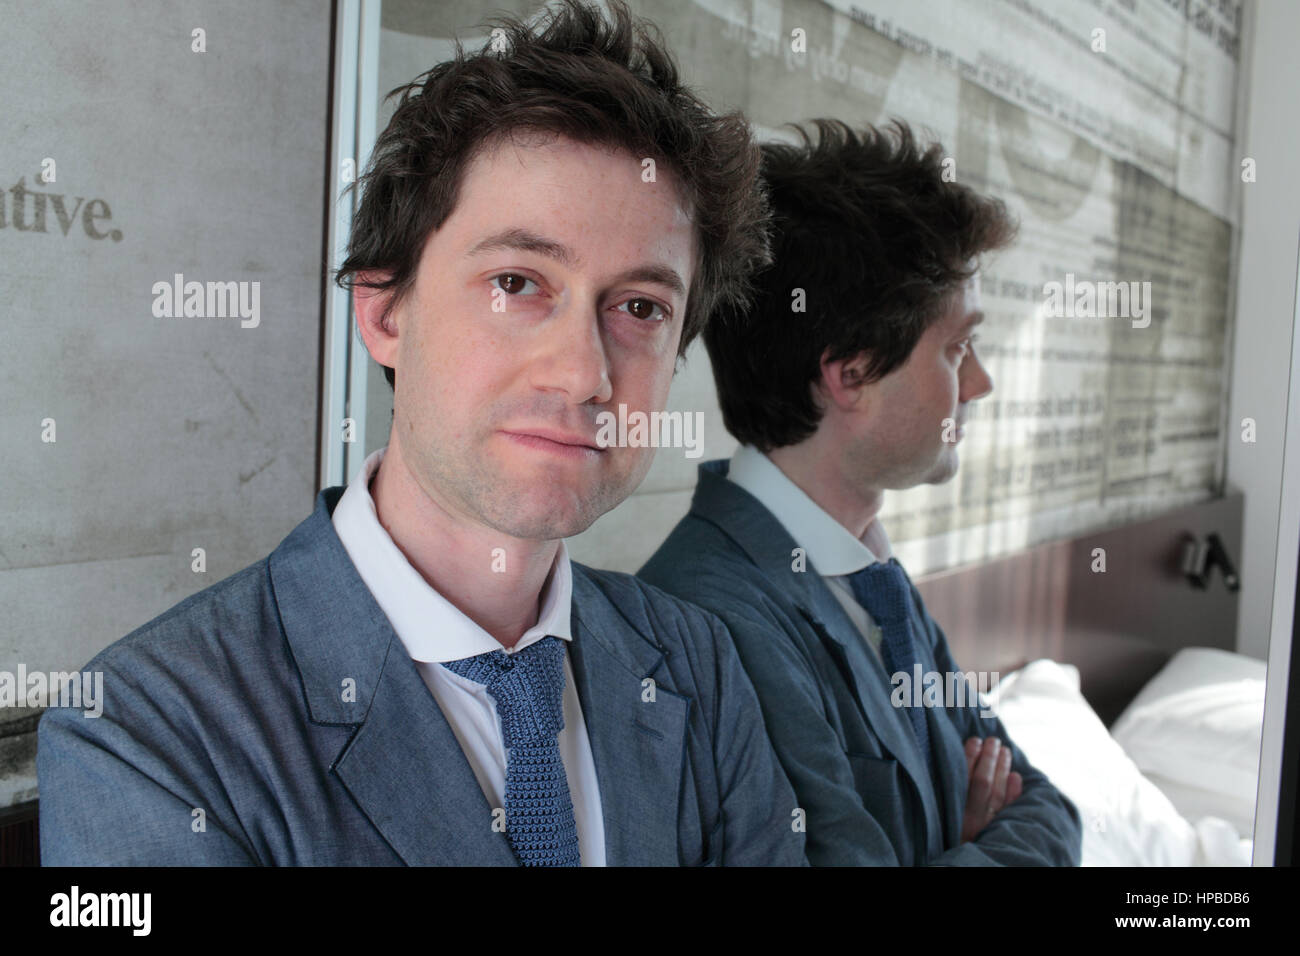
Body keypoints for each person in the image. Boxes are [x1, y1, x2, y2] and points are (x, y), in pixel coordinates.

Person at [37, 0, 803, 867]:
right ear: (384, 311)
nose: (584, 374)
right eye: (518, 282)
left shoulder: (697, 664)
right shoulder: (149, 735)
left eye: (639, 307)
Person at [640, 119, 1081, 865]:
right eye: (956, 347)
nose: (981, 383)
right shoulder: (710, 622)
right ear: (850, 375)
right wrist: (969, 836)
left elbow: (1050, 810)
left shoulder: (870, 574)